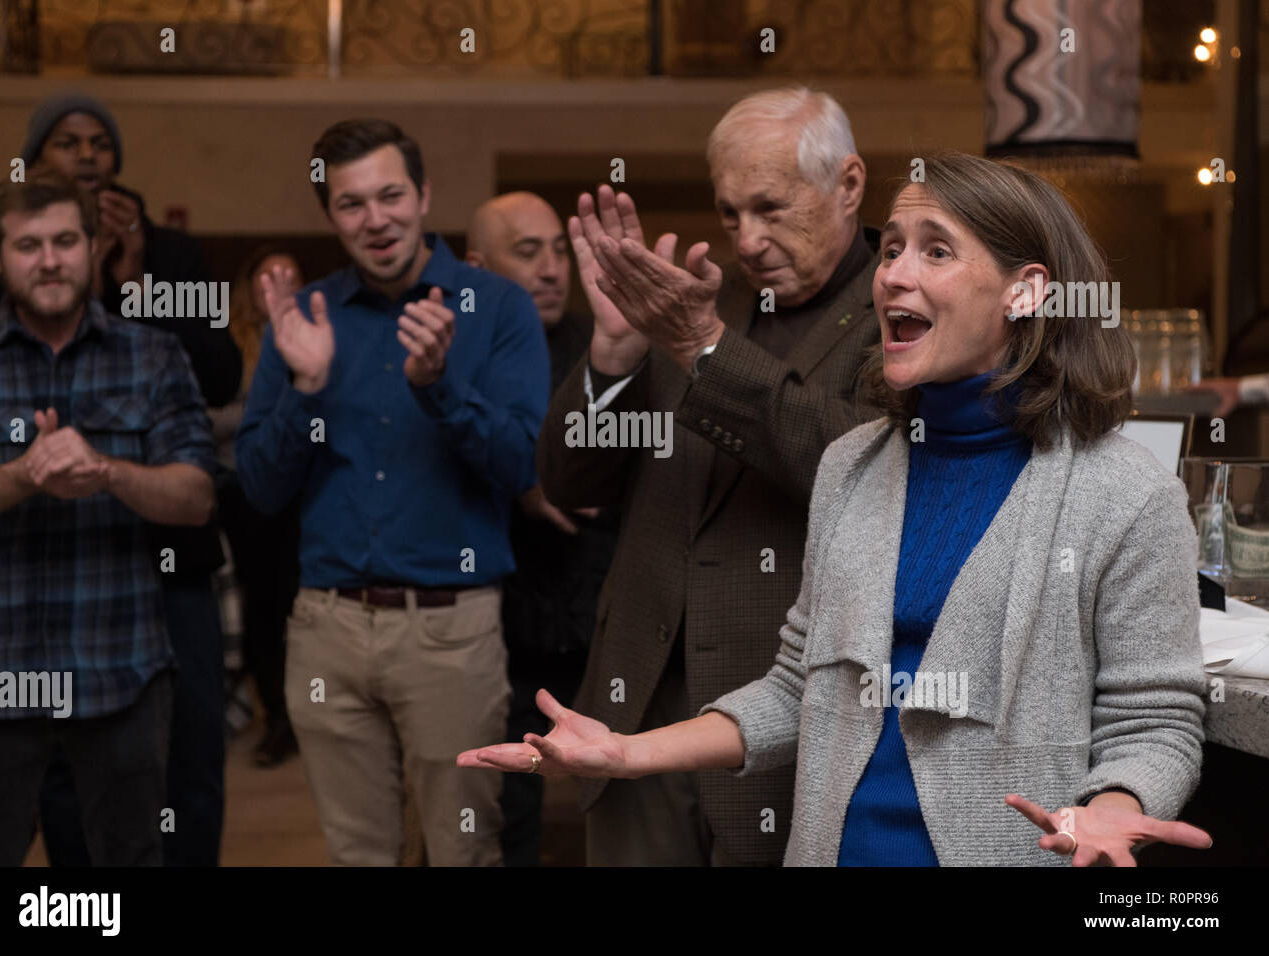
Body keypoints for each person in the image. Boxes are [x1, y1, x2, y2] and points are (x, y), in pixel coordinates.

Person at [461, 151, 1214, 867]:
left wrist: (1115, 803)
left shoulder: (1125, 492)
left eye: (936, 252)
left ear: (1026, 291)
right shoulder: (853, 464)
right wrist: (628, 751)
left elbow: (1155, 722)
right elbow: (799, 686)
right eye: (890, 250)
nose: (894, 277)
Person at [533, 87, 882, 865]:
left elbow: (859, 468)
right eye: (729, 214)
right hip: (637, 699)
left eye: (770, 207)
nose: (747, 240)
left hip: (782, 719)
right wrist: (615, 355)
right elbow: (569, 481)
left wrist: (704, 348)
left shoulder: (901, 305)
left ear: (848, 184)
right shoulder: (695, 300)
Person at [235, 119, 550, 866]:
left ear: (424, 194)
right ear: (329, 215)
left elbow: (521, 467)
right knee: (357, 854)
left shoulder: (497, 307)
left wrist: (442, 387)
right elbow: (259, 489)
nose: (375, 220)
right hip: (325, 629)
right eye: (351, 204)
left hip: (451, 632)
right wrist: (305, 391)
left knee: (464, 850)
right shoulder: (305, 319)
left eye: (390, 196)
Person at [0, 91, 238, 867]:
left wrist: (108, 470)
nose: (49, 260)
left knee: (129, 864)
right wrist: (24, 475)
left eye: (64, 242)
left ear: (93, 248)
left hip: (119, 674)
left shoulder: (152, 355)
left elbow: (196, 497)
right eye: (27, 246)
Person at [465, 191, 619, 865]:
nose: (553, 268)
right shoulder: (452, 357)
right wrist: (521, 483)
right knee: (502, 806)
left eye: (560, 249)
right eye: (528, 252)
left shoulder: (606, 345)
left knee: (624, 795)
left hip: (601, 610)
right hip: (501, 619)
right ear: (477, 267)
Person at [209, 244, 303, 767]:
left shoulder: (318, 335)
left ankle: (307, 714)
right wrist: (270, 414)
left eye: (291, 276)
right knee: (263, 607)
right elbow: (208, 418)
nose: (280, 286)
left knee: (301, 606)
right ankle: (277, 718)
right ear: (250, 287)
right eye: (269, 277)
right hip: (243, 493)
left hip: (303, 495)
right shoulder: (230, 343)